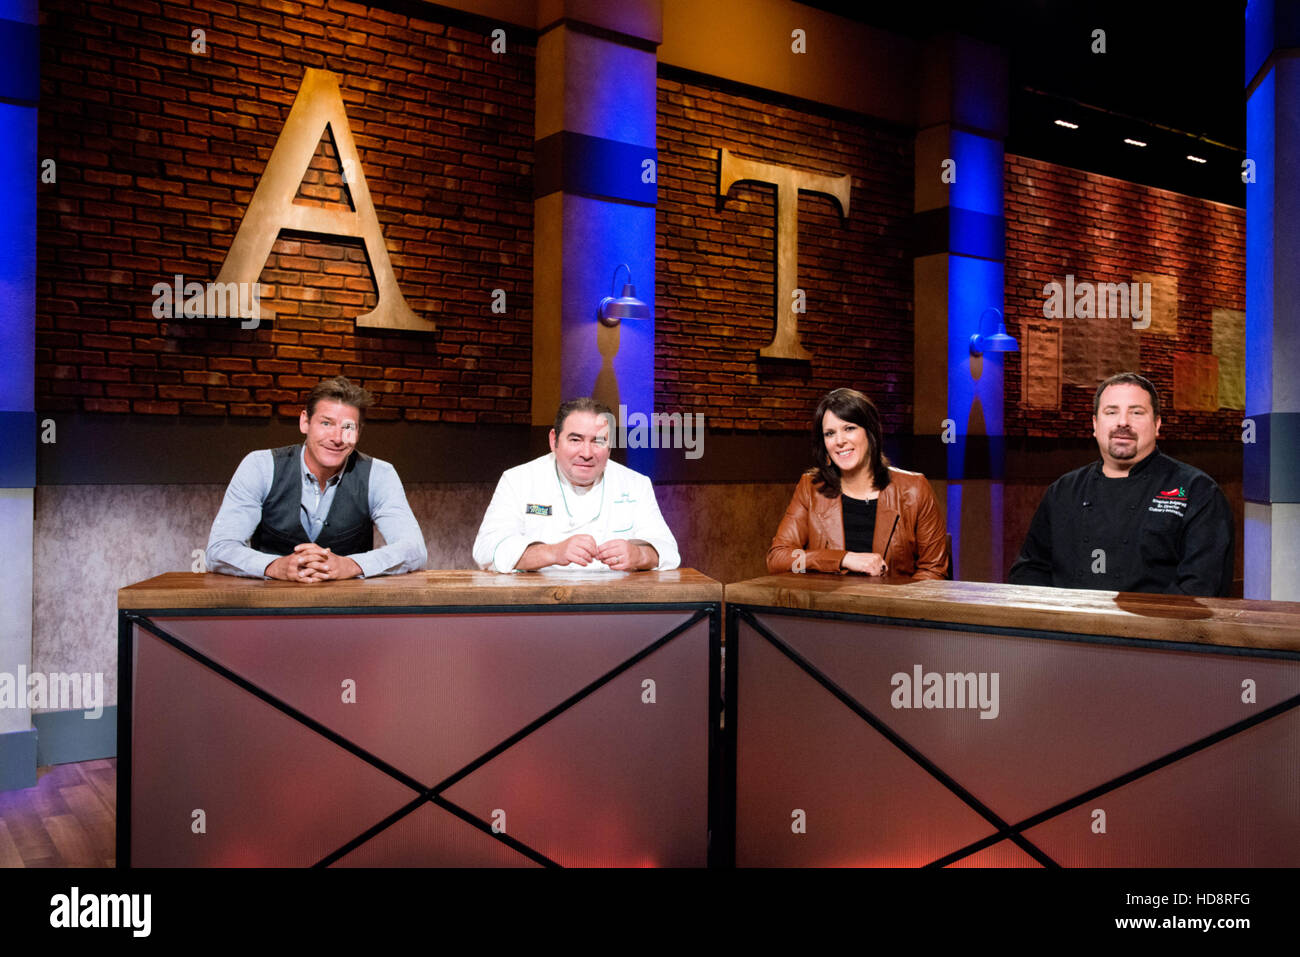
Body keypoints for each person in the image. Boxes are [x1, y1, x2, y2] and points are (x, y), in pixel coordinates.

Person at [1009, 371, 1233, 596]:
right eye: (1111, 412)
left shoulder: (1198, 491)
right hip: (1069, 627)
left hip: (1156, 629)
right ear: (1095, 424)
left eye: (1136, 412)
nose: (1123, 422)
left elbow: (1202, 586)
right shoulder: (1063, 491)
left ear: (1157, 424)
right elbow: (1030, 570)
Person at [206, 376, 427, 582]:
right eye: (326, 423)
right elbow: (220, 549)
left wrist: (351, 565)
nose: (337, 438)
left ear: (359, 432)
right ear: (305, 422)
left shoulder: (380, 474)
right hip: (268, 610)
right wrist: (273, 566)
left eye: (348, 427)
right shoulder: (260, 466)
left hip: (349, 612)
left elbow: (414, 549)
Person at [472, 397, 680, 572]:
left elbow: (669, 551)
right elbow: (486, 550)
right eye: (575, 440)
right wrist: (553, 552)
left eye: (598, 441)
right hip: (538, 608)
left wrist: (640, 555)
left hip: (616, 607)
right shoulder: (518, 480)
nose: (587, 453)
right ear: (554, 440)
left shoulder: (636, 484)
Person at [767, 388, 949, 579]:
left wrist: (893, 606)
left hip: (893, 607)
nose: (839, 441)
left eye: (849, 428)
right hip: (829, 606)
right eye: (829, 433)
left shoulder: (914, 489)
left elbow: (933, 571)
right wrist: (844, 559)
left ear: (870, 432)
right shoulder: (810, 488)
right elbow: (778, 559)